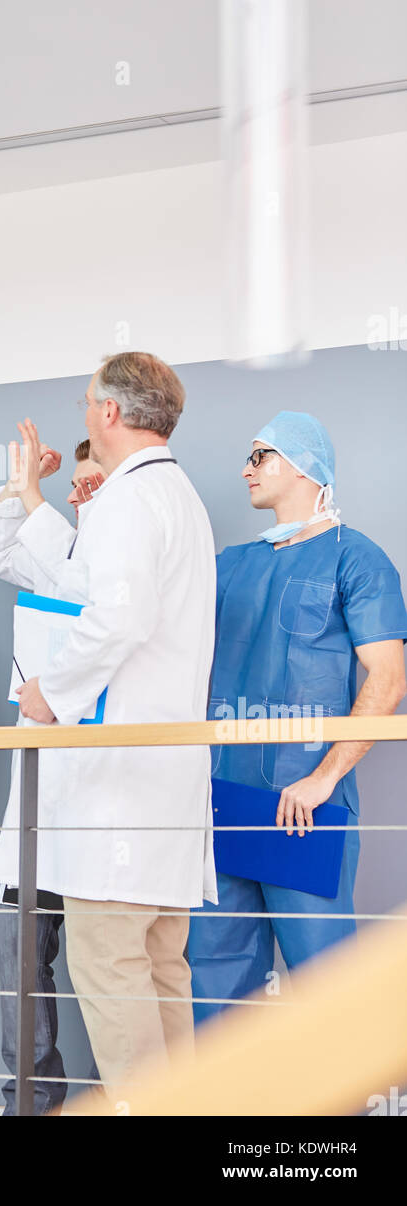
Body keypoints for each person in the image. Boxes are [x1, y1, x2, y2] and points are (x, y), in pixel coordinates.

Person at [0, 352, 218, 1096]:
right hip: (165, 791)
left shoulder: (126, 500)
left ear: (111, 414)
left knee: (111, 969)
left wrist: (48, 694)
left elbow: (118, 619)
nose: (86, 413)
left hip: (119, 793)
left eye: (90, 403)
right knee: (160, 969)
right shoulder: (178, 496)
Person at [188, 411, 407, 1019]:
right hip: (220, 803)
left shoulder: (357, 560)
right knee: (214, 988)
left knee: (325, 992)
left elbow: (388, 681)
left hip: (302, 807)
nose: (244, 469)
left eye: (258, 456)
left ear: (300, 463)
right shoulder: (228, 564)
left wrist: (324, 778)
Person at [0, 437, 103, 1115]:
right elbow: (0, 551)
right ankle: (31, 1104)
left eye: (95, 484)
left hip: (105, 805)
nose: (80, 494)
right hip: (39, 803)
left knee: (104, 970)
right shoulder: (59, 561)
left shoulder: (121, 567)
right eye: (77, 484)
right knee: (17, 959)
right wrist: (16, 485)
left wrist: (37, 500)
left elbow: (89, 586)